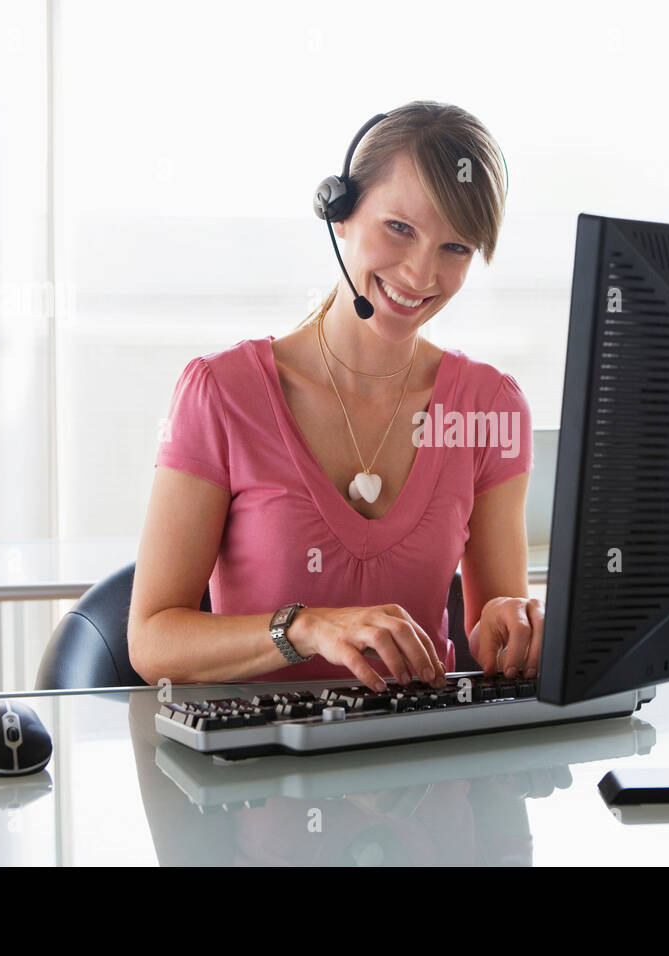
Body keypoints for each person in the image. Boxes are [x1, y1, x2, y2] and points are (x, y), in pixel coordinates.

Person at [129, 101, 541, 693]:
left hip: (421, 765)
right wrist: (304, 629)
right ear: (338, 214)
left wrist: (514, 622)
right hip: (259, 770)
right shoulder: (222, 394)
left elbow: (489, 632)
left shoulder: (489, 406)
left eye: (456, 249)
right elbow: (152, 641)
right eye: (400, 228)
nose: (422, 275)